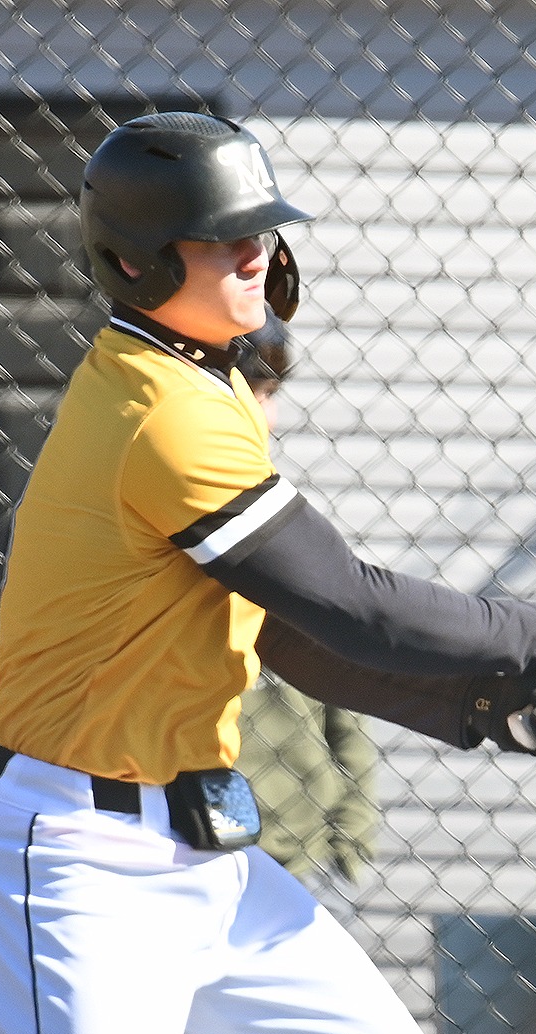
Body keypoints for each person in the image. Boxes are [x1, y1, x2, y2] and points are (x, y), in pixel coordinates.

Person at [0, 111, 536, 1034]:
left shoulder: (211, 383)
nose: (256, 252)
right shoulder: (163, 413)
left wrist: (469, 704)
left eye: (261, 232)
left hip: (203, 859)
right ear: (144, 261)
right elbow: (350, 603)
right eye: (222, 237)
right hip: (75, 861)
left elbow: (276, 628)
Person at [233, 318, 381, 905]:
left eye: (273, 395)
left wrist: (352, 832)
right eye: (257, 394)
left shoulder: (286, 546)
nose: (269, 418)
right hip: (191, 840)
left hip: (299, 847)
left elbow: (348, 715)